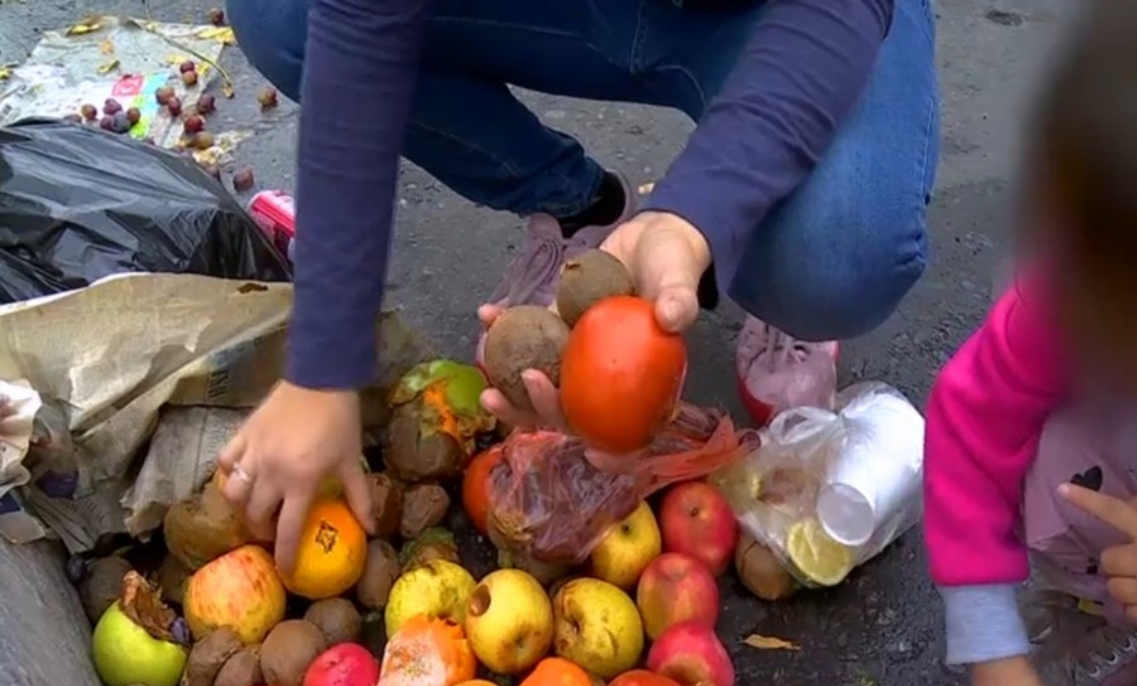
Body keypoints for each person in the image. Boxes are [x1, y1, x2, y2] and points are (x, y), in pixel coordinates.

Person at [219, 0, 939, 569]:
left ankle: (757, 242)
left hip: (790, 18)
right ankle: (580, 206)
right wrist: (323, 361)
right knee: (287, 14)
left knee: (836, 252)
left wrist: (700, 216)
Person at [924, 0, 1137, 686]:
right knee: (1052, 456)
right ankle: (1135, 617)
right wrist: (991, 648)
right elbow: (971, 428)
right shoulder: (1078, 290)